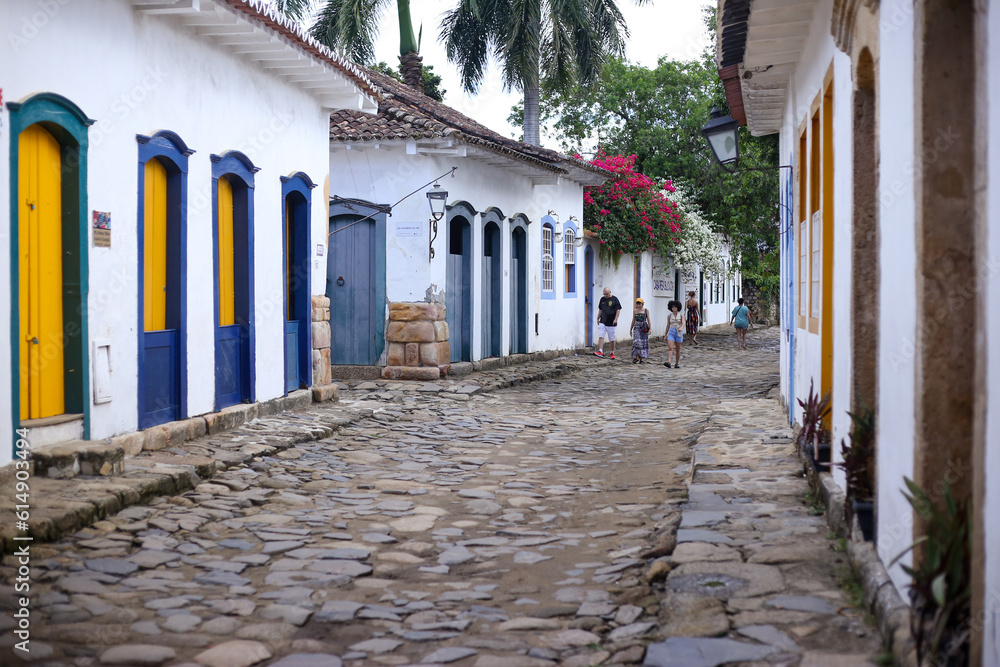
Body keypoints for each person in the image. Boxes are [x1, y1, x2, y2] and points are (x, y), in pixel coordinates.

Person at [594, 287, 622, 360]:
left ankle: (612, 352)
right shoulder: (602, 299)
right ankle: (600, 351)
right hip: (603, 321)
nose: (605, 295)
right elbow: (600, 309)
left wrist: (616, 319)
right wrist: (598, 318)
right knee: (601, 335)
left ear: (610, 292)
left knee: (611, 338)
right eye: (604, 294)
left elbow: (618, 310)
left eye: (606, 294)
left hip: (611, 322)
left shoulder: (614, 299)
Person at [664, 300, 685, 368]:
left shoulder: (681, 315)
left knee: (678, 349)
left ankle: (677, 363)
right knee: (670, 348)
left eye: (675, 307)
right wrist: (665, 335)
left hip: (678, 332)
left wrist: (681, 327)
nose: (674, 308)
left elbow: (683, 323)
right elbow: (667, 326)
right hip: (671, 331)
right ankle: (669, 362)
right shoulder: (669, 316)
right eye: (673, 307)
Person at [630, 297, 650, 364]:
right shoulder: (635, 311)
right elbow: (633, 320)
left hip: (643, 327)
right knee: (637, 342)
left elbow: (649, 320)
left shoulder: (646, 310)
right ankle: (636, 357)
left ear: (642, 304)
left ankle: (640, 358)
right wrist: (630, 329)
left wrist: (650, 328)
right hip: (637, 327)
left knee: (642, 343)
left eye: (639, 303)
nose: (638, 305)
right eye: (637, 303)